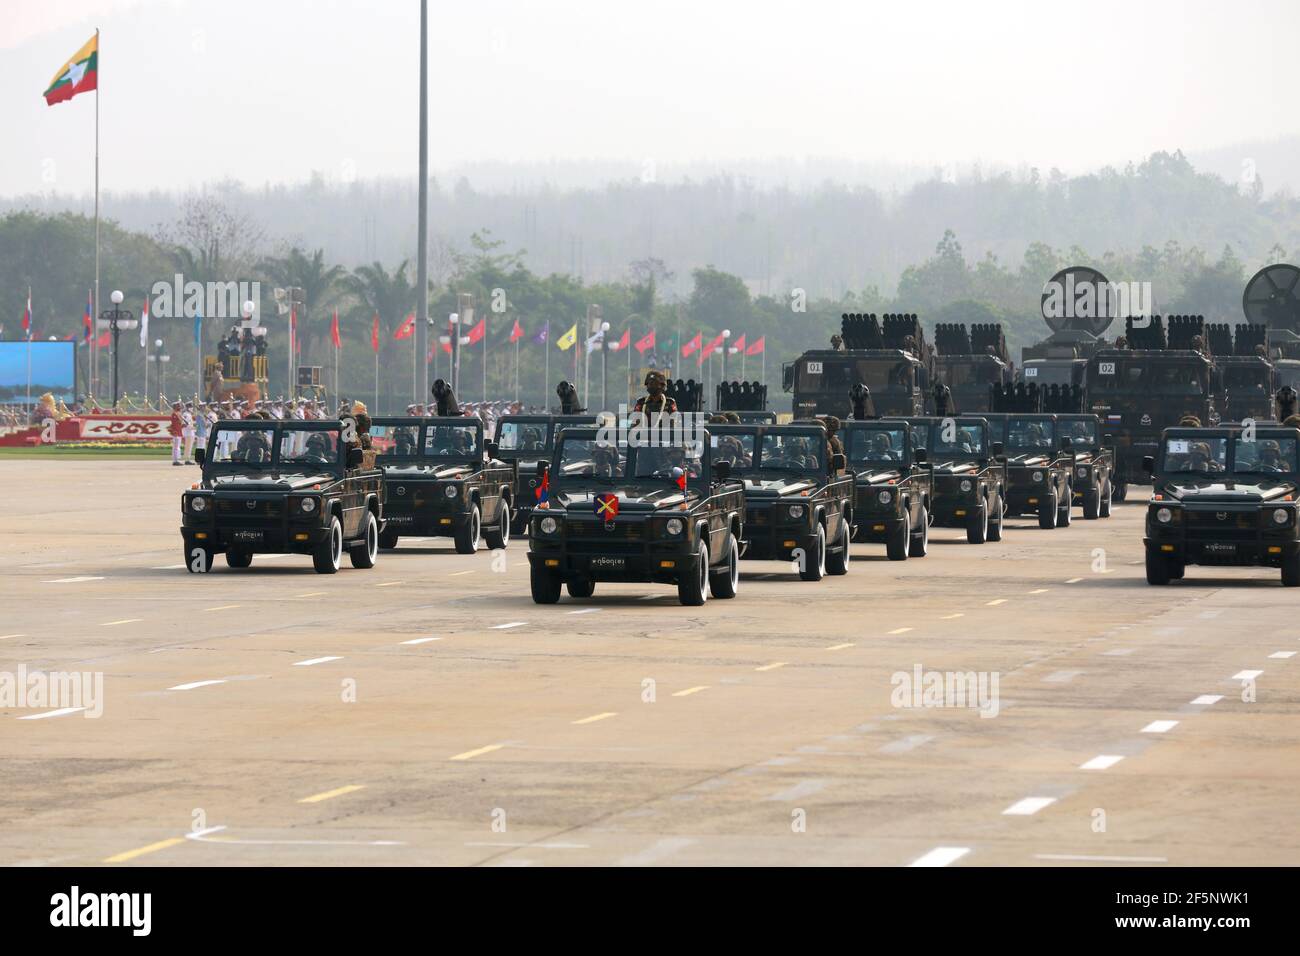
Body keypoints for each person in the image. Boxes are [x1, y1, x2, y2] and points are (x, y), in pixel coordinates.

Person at [168, 401, 185, 466]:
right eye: (178, 406)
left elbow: (179, 424)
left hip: (179, 432)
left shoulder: (179, 414)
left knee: (178, 447)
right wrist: (175, 431)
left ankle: (177, 459)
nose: (179, 407)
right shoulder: (174, 414)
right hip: (176, 432)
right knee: (176, 447)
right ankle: (175, 460)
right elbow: (174, 424)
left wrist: (183, 426)